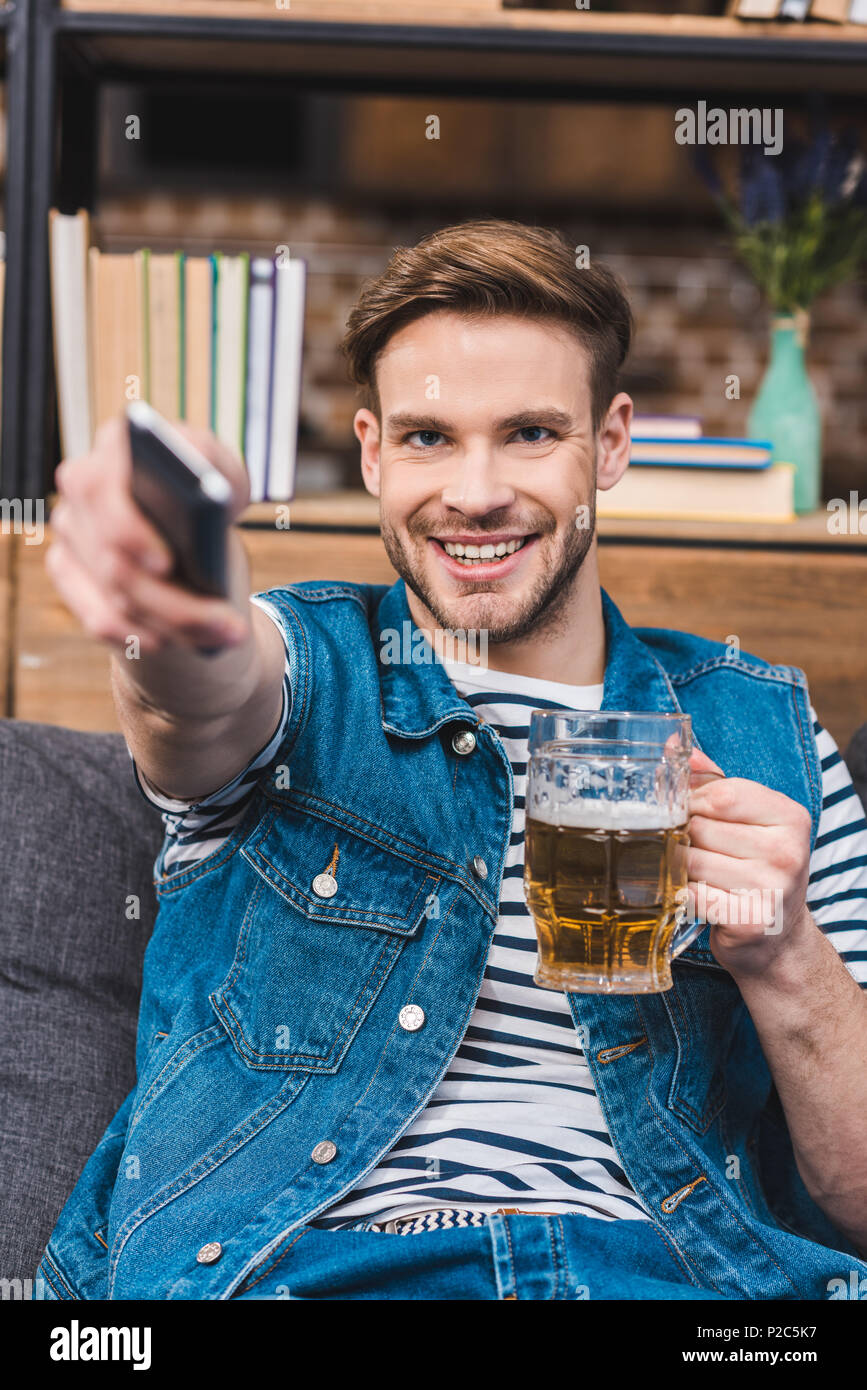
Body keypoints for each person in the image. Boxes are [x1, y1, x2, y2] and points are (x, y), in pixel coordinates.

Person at [39, 220, 867, 1301]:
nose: (475, 493)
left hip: (670, 1278)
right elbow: (201, 692)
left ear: (609, 444)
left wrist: (786, 956)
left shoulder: (764, 730)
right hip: (316, 1269)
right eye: (430, 439)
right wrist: (172, 608)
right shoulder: (311, 671)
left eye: (529, 433)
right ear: (374, 451)